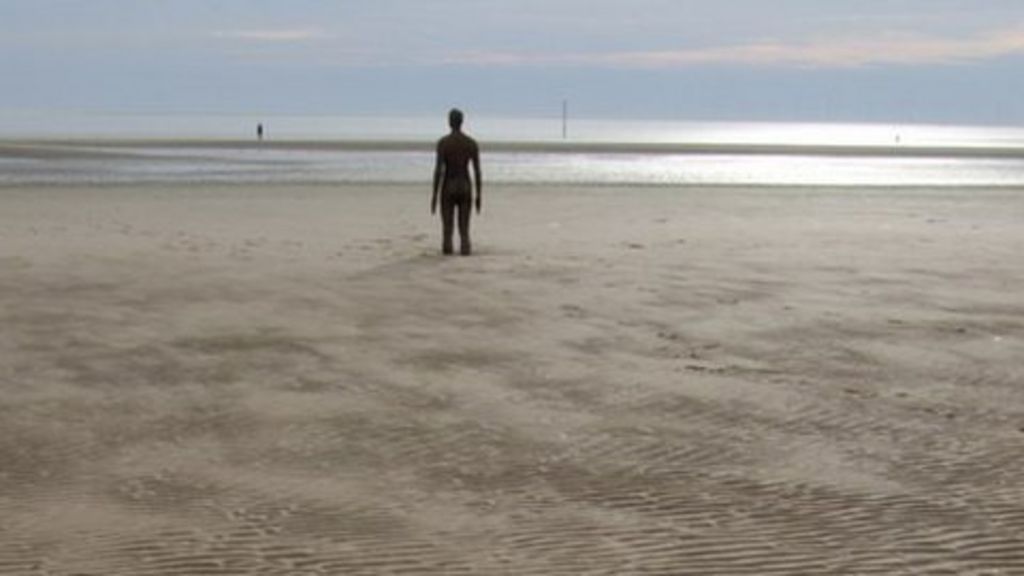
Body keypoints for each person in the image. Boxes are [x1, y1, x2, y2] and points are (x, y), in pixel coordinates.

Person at [432, 109, 482, 256]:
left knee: (448, 227)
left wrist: (434, 194)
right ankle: (464, 248)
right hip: (465, 185)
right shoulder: (471, 143)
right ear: (462, 122)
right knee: (464, 227)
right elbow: (477, 171)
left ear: (449, 122)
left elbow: (438, 171)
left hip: (449, 185)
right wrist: (479, 194)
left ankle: (448, 249)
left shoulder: (443, 143)